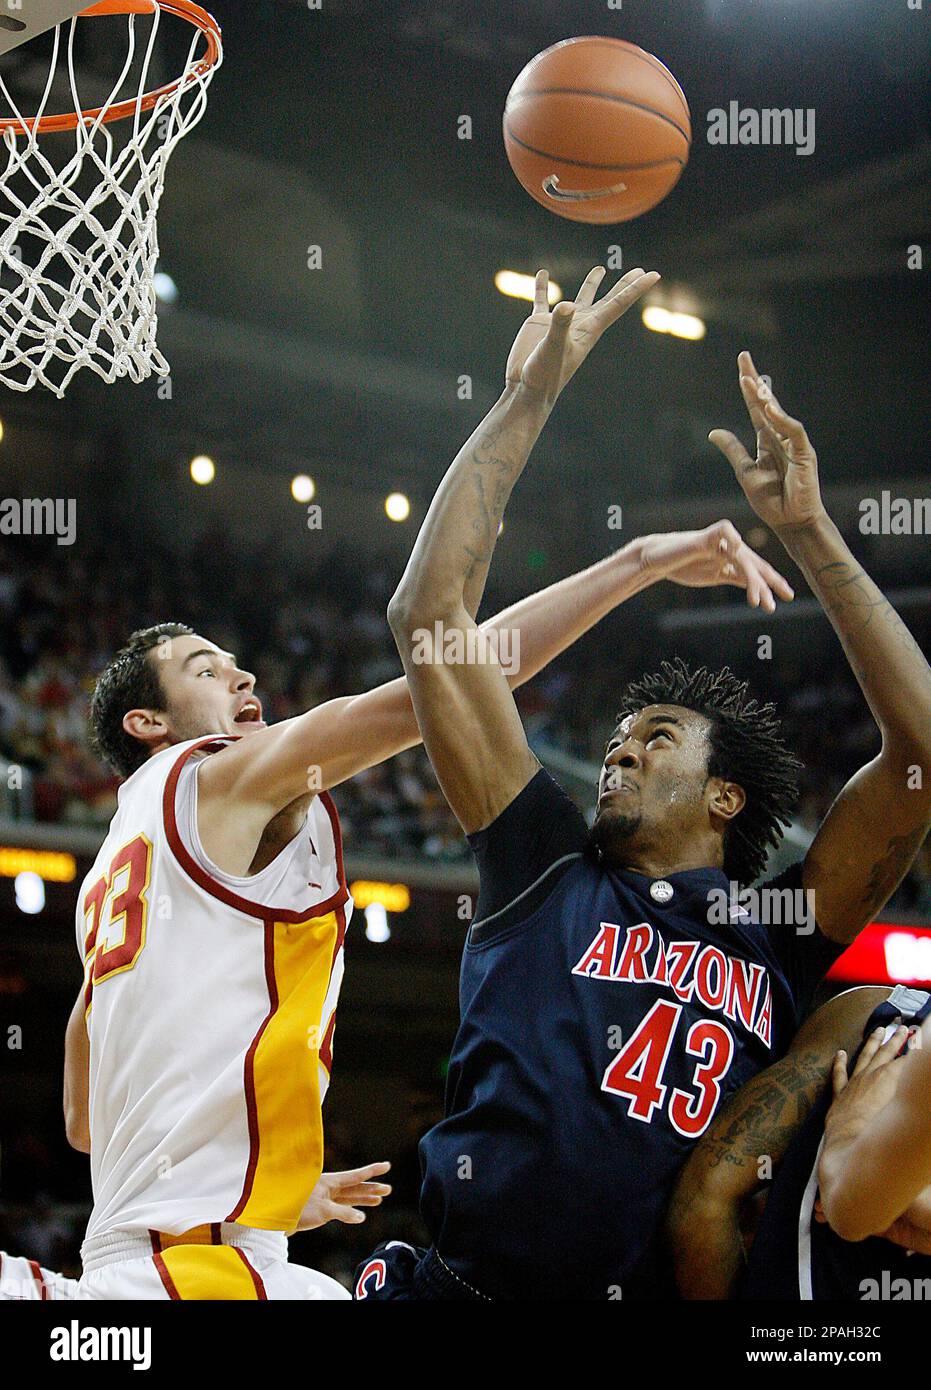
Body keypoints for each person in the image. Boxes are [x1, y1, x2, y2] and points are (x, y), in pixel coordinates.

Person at [68, 401, 780, 1297]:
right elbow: (454, 670)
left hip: (148, 1255)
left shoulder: (111, 878)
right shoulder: (222, 774)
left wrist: (253, 1191)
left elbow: (85, 1123)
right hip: (202, 1274)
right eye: (205, 670)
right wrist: (637, 562)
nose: (242, 675)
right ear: (149, 724)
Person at [356, 265, 931, 1299]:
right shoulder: (542, 862)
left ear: (725, 797)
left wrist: (806, 531)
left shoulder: (781, 929)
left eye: (655, 736)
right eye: (618, 737)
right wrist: (524, 398)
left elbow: (919, 754)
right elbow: (429, 615)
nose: (618, 751)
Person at [666, 983, 931, 1298]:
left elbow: (706, 1198)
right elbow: (707, 1200)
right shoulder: (880, 1023)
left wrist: (850, 1127)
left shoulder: (882, 1030)